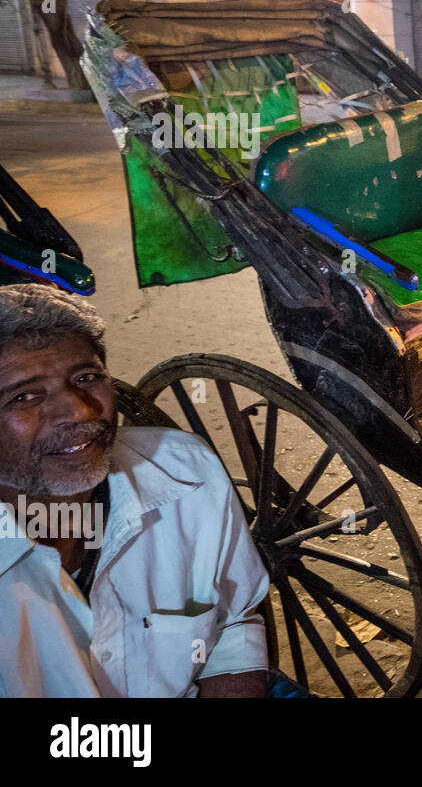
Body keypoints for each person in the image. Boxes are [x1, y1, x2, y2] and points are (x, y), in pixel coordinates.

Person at [0, 284, 270, 697]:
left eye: (86, 377)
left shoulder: (187, 472)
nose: (79, 410)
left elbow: (232, 626)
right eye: (25, 396)